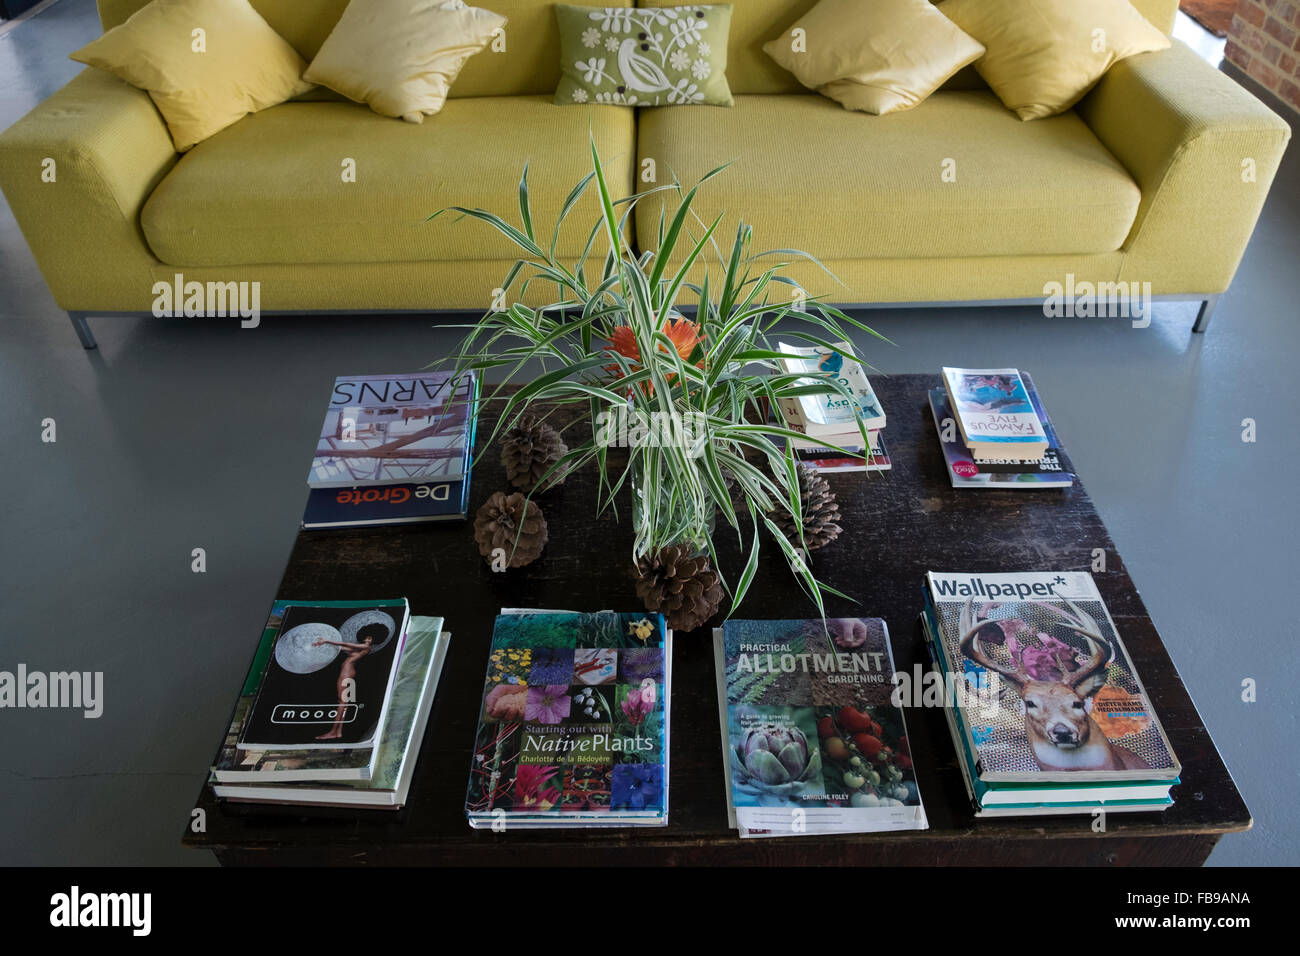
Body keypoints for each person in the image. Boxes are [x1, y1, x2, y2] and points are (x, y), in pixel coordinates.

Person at [310, 635, 373, 740]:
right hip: (348, 673)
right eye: (366, 637)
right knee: (345, 703)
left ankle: (332, 731)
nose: (367, 639)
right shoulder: (358, 649)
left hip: (346, 674)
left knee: (342, 702)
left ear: (372, 641)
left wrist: (327, 639)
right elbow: (342, 648)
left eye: (370, 639)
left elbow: (347, 644)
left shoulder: (366, 647)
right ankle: (339, 732)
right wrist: (323, 643)